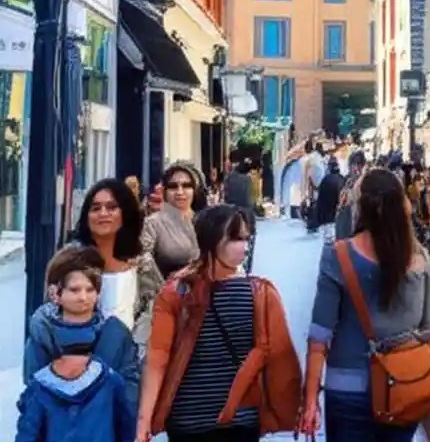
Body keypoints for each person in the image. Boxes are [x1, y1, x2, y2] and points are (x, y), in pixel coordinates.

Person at [301, 168, 430, 440]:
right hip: (405, 388)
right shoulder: (420, 259)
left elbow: (319, 337)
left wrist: (310, 400)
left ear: (362, 207)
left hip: (347, 392)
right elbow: (429, 334)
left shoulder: (338, 256)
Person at [136, 205, 301, 442]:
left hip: (234, 421)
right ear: (211, 241)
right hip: (197, 421)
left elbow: (281, 362)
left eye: (246, 238)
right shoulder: (179, 292)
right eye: (235, 238)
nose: (244, 246)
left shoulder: (259, 293)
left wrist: (291, 410)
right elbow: (157, 359)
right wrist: (144, 420)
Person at [16, 247, 135, 442]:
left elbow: (130, 395)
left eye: (90, 289)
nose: (83, 297)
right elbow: (31, 396)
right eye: (74, 290)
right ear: (55, 293)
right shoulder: (42, 331)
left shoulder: (115, 334)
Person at [63, 179, 162, 346]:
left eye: (111, 207)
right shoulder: (69, 260)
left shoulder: (142, 263)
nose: (103, 213)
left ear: (125, 213)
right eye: (95, 208)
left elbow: (157, 311)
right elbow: (49, 312)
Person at [140, 163, 201, 281]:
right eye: (173, 187)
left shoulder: (205, 221)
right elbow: (143, 263)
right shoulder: (153, 224)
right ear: (165, 191)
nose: (180, 192)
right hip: (167, 293)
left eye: (186, 186)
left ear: (194, 190)